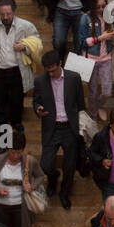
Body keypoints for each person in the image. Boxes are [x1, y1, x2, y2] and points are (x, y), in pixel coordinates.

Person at [0, 0, 39, 146]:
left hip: (17, 72)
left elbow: (37, 43)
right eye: (3, 14)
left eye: (8, 14)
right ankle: (3, 143)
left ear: (14, 12)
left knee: (17, 103)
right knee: (0, 108)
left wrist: (25, 47)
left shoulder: (26, 26)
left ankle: (17, 129)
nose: (6, 17)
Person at [32, 49, 85, 210]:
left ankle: (65, 193)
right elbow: (35, 101)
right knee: (45, 164)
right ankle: (53, 178)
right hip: (51, 127)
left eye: (53, 70)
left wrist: (80, 126)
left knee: (69, 166)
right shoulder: (40, 81)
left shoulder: (74, 78)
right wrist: (38, 108)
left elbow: (80, 104)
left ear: (60, 64)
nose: (50, 74)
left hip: (69, 127)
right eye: (47, 71)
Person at [80, 0, 114, 120]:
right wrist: (99, 38)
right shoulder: (85, 18)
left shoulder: (109, 16)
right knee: (93, 91)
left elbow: (111, 32)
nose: (100, 9)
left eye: (103, 6)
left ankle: (98, 106)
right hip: (91, 59)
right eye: (98, 6)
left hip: (106, 58)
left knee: (107, 91)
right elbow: (82, 42)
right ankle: (93, 115)